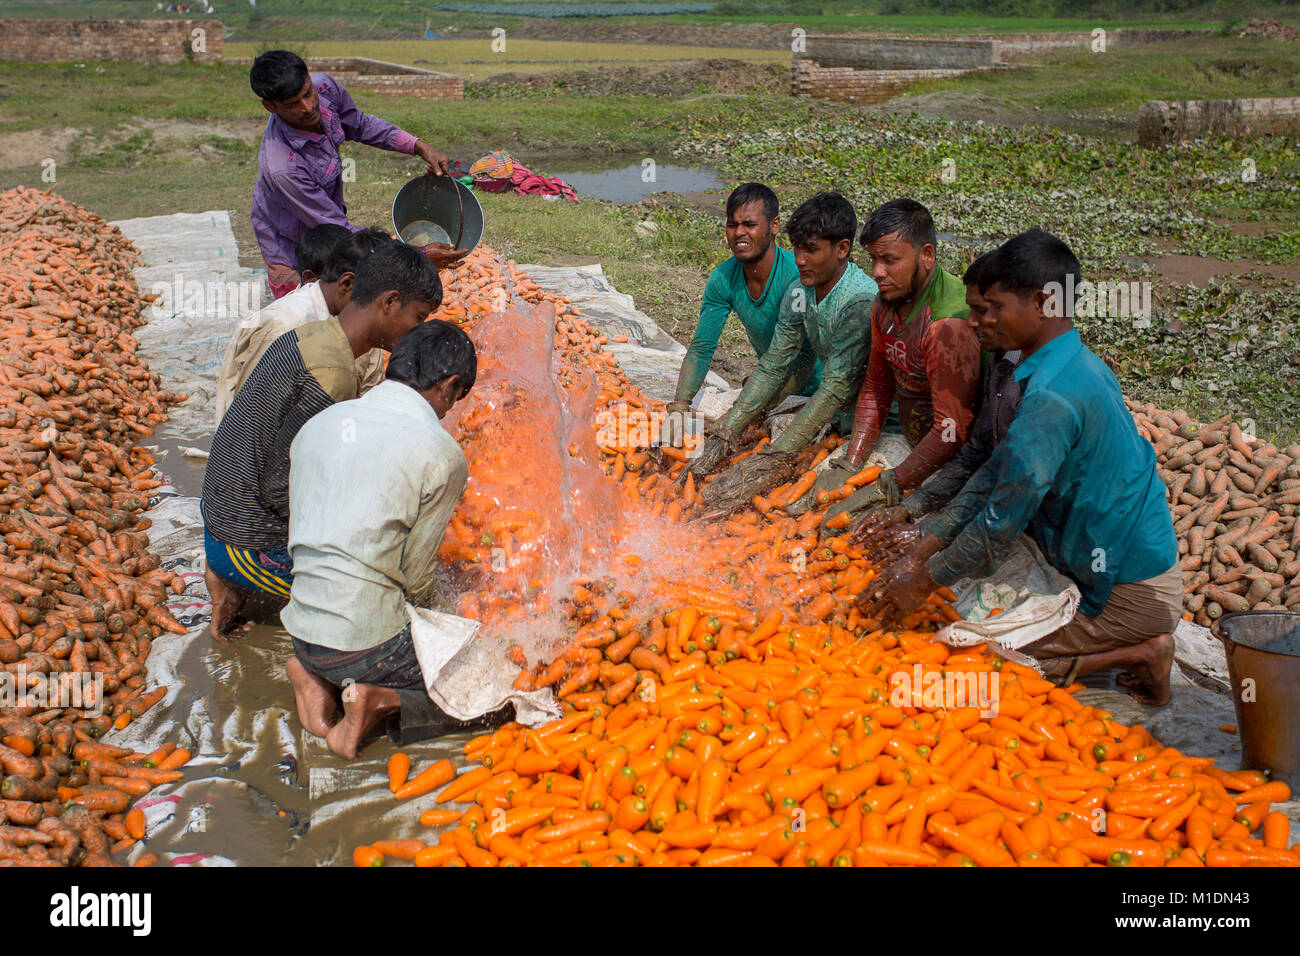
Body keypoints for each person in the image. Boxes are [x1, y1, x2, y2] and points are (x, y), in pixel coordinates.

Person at [858, 230, 1181, 705]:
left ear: (1045, 302)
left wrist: (923, 579)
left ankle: (1141, 651)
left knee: (979, 657)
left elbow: (1000, 520)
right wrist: (923, 550)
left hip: (1128, 591)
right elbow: (992, 472)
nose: (977, 321)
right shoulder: (1058, 365)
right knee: (965, 600)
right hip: (1086, 555)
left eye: (993, 308)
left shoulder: (1052, 393)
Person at [201, 242, 443, 642]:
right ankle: (236, 579)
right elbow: (283, 486)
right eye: (418, 318)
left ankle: (228, 575)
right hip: (243, 538)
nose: (417, 331)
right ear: (390, 301)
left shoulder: (310, 335)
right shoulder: (331, 378)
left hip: (219, 508)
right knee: (381, 598)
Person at [282, 320, 502, 758]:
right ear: (452, 385)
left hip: (303, 627)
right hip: (363, 647)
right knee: (495, 682)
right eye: (456, 400)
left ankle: (311, 674)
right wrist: (451, 624)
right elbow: (416, 579)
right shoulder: (440, 453)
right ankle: (379, 701)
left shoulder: (321, 423)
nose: (449, 411)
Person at [682, 192, 877, 512]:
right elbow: (775, 363)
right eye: (797, 247)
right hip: (833, 416)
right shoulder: (801, 290)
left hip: (871, 421)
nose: (799, 259)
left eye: (811, 250)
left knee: (812, 504)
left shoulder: (858, 301)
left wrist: (772, 458)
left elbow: (835, 388)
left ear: (842, 249)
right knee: (746, 434)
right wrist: (728, 429)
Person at [248, 50, 467, 298]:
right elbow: (337, 229)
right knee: (304, 318)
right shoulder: (284, 168)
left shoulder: (325, 88)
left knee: (349, 295)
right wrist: (417, 253)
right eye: (292, 105)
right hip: (289, 244)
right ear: (270, 106)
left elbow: (360, 124)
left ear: (310, 78)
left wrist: (419, 147)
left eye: (308, 93)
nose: (308, 107)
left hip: (328, 225)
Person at [851, 251, 1023, 549]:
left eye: (982, 311)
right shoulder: (1002, 363)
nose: (970, 322)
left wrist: (926, 537)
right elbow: (979, 454)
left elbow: (1015, 490)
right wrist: (909, 506)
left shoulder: (1045, 389)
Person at [823, 198, 981, 521]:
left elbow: (950, 431)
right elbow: (877, 386)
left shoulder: (946, 326)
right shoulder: (885, 304)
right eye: (874, 260)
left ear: (926, 256)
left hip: (958, 461)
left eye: (890, 260)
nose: (878, 273)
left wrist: (890, 485)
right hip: (915, 445)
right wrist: (850, 465)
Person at [664, 183, 815, 441]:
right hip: (768, 384)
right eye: (732, 225)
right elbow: (702, 348)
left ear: (774, 225)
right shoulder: (724, 278)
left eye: (749, 225)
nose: (739, 233)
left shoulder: (797, 278)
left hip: (812, 389)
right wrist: (679, 407)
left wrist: (749, 410)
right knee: (695, 421)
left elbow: (805, 360)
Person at [214, 226, 390, 423]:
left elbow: (370, 397)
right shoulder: (282, 327)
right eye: (385, 301)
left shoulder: (364, 326)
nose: (387, 311)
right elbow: (254, 422)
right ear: (346, 283)